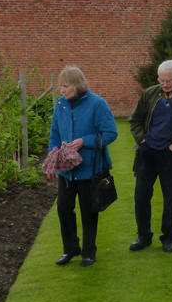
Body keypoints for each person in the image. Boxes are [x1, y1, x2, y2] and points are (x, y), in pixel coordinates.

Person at [46, 65, 118, 267]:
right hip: (66, 171)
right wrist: (52, 163)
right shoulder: (60, 104)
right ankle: (70, 249)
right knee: (63, 208)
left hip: (90, 170)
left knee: (89, 211)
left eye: (65, 86)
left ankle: (88, 252)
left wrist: (83, 141)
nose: (62, 90)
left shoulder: (98, 104)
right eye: (60, 86)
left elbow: (111, 133)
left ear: (77, 85)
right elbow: (55, 136)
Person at [128, 59, 172, 253]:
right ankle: (143, 236)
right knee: (141, 196)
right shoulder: (150, 94)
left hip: (170, 155)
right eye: (161, 80)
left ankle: (168, 238)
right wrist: (142, 139)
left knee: (170, 198)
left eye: (169, 80)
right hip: (148, 153)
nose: (165, 84)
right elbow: (135, 120)